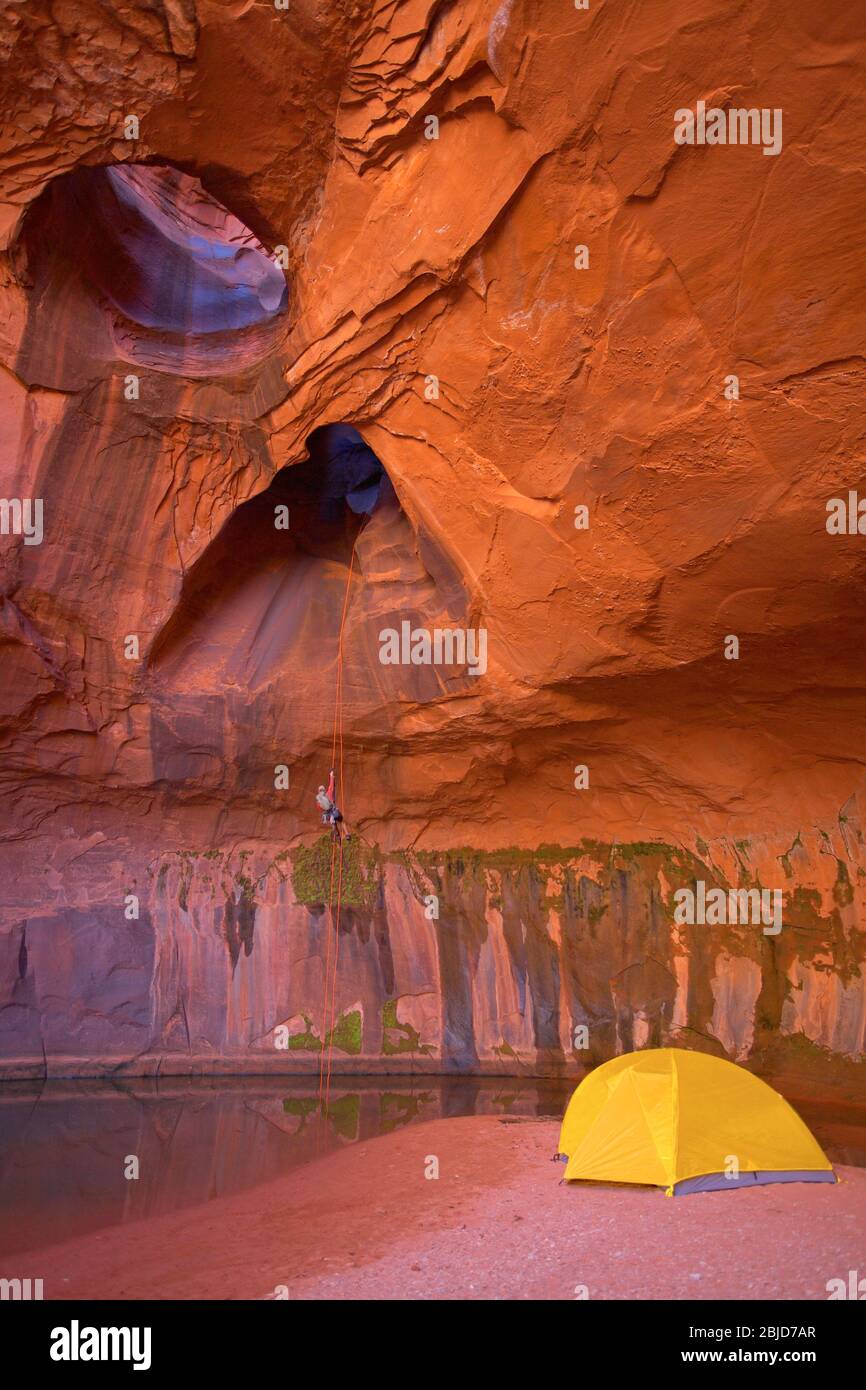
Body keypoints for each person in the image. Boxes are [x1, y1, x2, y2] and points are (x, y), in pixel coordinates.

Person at [315, 769, 350, 840]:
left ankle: (337, 835)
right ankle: (347, 835)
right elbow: (331, 784)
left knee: (333, 822)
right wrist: (331, 774)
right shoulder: (328, 793)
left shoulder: (318, 801)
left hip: (328, 815)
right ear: (324, 790)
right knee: (341, 821)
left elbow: (319, 808)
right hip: (335, 812)